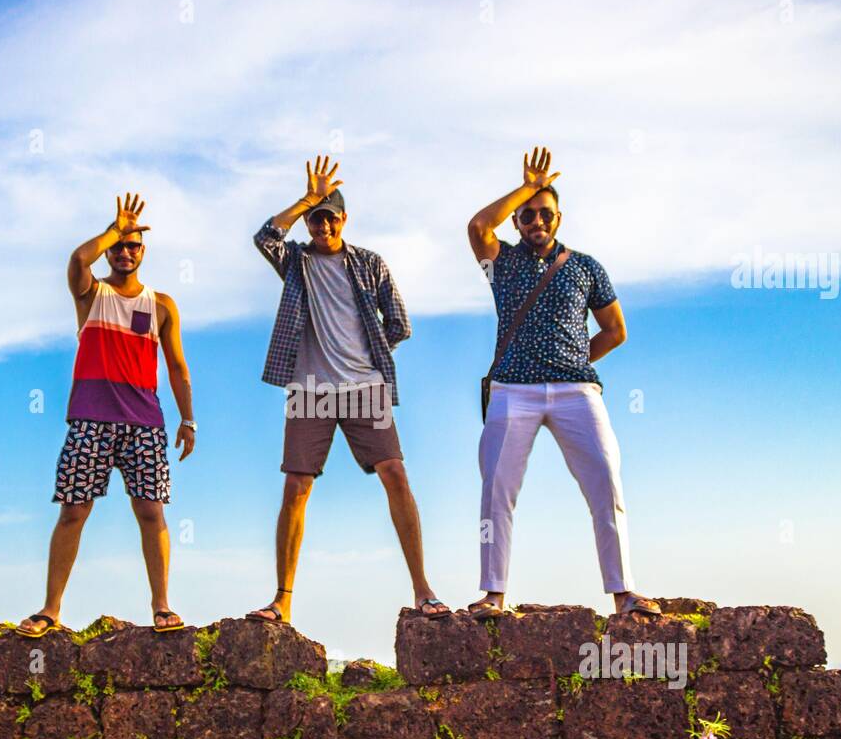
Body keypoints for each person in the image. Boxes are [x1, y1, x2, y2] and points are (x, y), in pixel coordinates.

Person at [246, 156, 449, 625]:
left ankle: (423, 588)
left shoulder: (369, 263)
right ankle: (282, 601)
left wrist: (370, 356)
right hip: (308, 389)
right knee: (296, 486)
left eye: (329, 217)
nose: (322, 226)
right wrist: (306, 200)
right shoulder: (297, 261)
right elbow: (265, 238)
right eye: (315, 219)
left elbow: (399, 323)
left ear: (344, 219)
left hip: (366, 388)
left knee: (395, 473)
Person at [466, 147, 659, 618]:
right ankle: (493, 595)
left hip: (577, 391)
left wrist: (572, 359)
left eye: (544, 213)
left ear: (559, 217)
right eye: (528, 214)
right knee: (497, 489)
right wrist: (527, 188)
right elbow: (477, 228)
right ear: (517, 220)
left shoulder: (586, 266)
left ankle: (624, 593)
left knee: (606, 484)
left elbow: (616, 331)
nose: (536, 220)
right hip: (513, 390)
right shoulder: (502, 263)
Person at [17, 193, 197, 637]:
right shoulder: (92, 293)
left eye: (133, 245)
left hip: (144, 423)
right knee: (74, 510)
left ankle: (162, 606)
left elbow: (177, 367)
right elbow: (79, 259)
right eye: (119, 245)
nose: (124, 252)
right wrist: (114, 230)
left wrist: (188, 420)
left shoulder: (161, 305)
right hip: (90, 419)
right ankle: (50, 609)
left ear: (144, 251)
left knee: (151, 512)